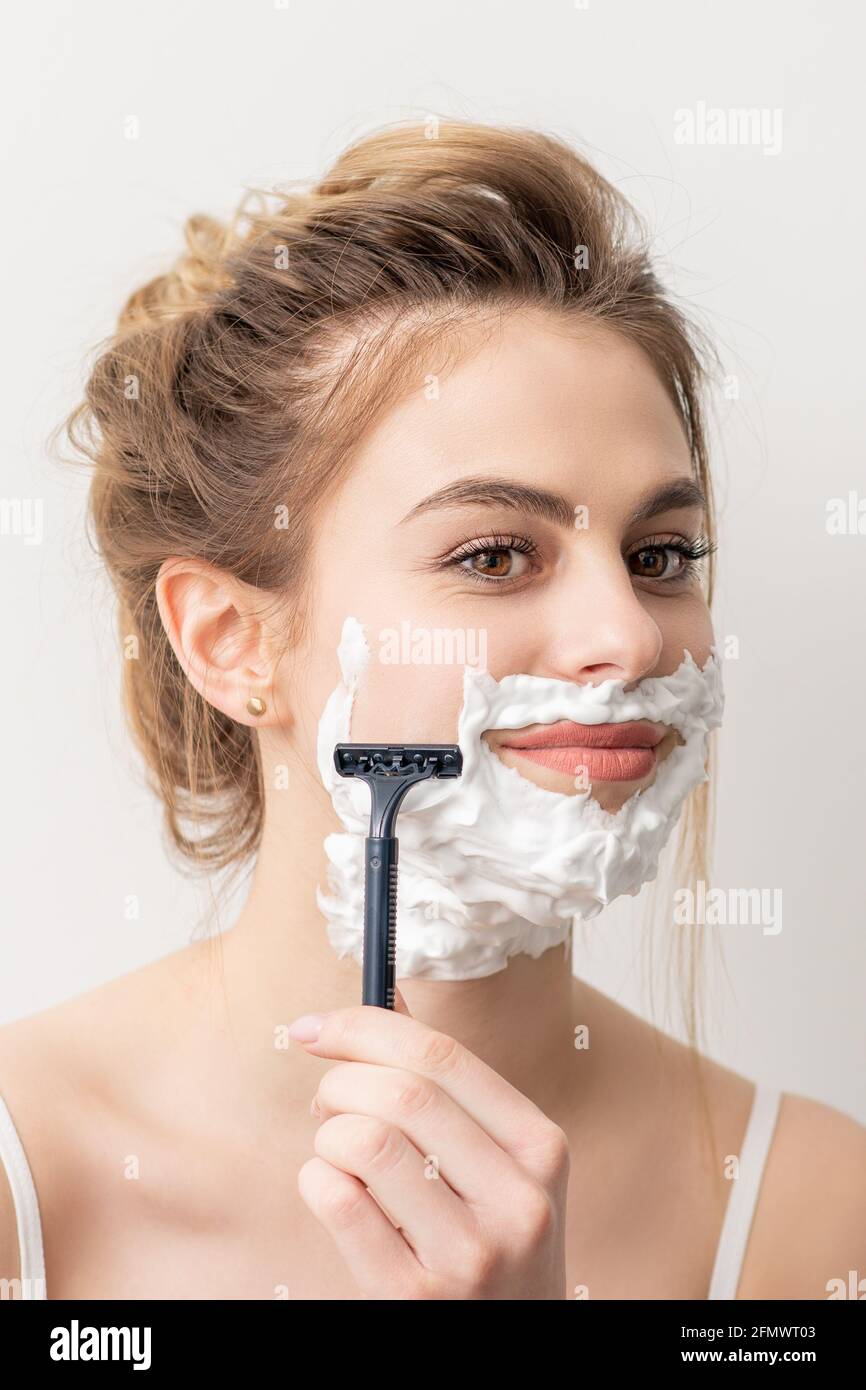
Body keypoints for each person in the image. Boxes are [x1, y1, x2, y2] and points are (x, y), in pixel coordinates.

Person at [1, 120, 863, 1300]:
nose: (625, 633)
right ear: (230, 640)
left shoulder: (811, 1214)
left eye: (660, 554)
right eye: (496, 553)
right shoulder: (27, 1178)